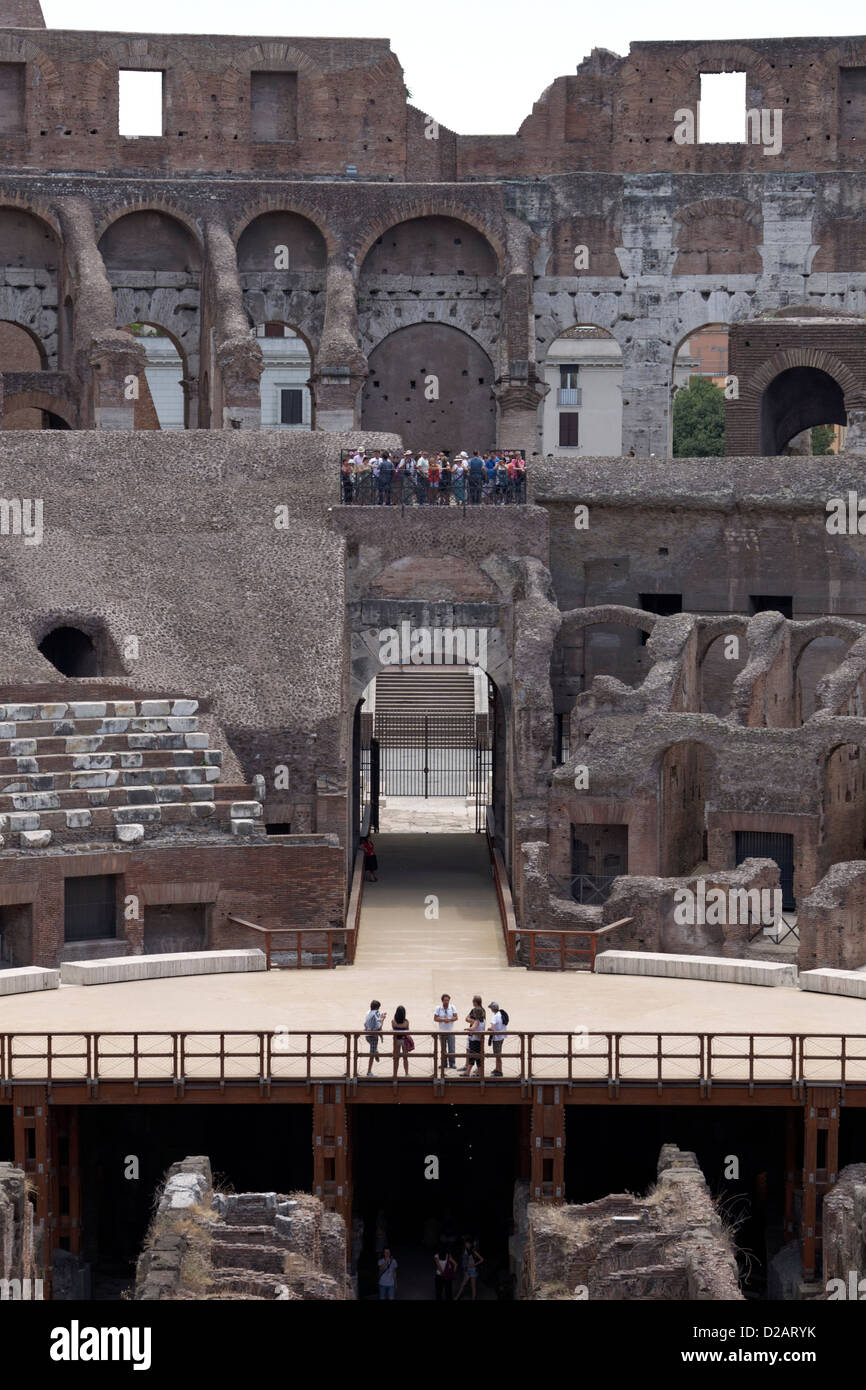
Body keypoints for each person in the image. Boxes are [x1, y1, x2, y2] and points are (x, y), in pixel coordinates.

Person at [433, 992, 458, 1070]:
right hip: (442, 1032)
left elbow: (456, 1017)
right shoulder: (438, 1008)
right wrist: (443, 1020)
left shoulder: (452, 1007)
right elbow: (435, 1018)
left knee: (452, 1048)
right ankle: (444, 1063)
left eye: (447, 1000)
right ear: (442, 1001)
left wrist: (449, 1020)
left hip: (451, 1031)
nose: (446, 1002)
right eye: (445, 1000)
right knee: (443, 1049)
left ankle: (452, 1063)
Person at [460, 1001, 486, 1077]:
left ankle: (467, 1073)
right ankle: (480, 1073)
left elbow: (473, 1028)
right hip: (479, 1041)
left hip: (474, 1041)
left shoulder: (477, 1021)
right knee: (478, 1058)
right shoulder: (483, 1020)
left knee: (472, 1057)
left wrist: (467, 1029)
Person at [364, 999, 385, 1076]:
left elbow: (365, 1024)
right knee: (372, 1055)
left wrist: (380, 1017)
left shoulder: (368, 1012)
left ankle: (375, 1051)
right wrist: (383, 1019)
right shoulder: (376, 1013)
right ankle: (369, 1072)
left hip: (367, 1036)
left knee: (373, 1050)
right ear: (377, 1007)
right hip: (373, 1036)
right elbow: (379, 1027)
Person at [487, 1000, 508, 1077]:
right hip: (502, 1037)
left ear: (493, 1009)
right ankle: (497, 1068)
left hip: (497, 1038)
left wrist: (488, 1029)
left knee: (497, 1055)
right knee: (498, 1054)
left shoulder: (495, 1017)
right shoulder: (501, 1014)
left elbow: (492, 1029)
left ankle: (500, 1071)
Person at [391, 1003, 411, 1077]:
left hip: (396, 1040)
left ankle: (395, 1074)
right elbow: (408, 1031)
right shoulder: (406, 1022)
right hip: (404, 1040)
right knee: (405, 1058)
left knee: (396, 1058)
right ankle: (406, 1074)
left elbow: (393, 1029)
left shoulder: (393, 1021)